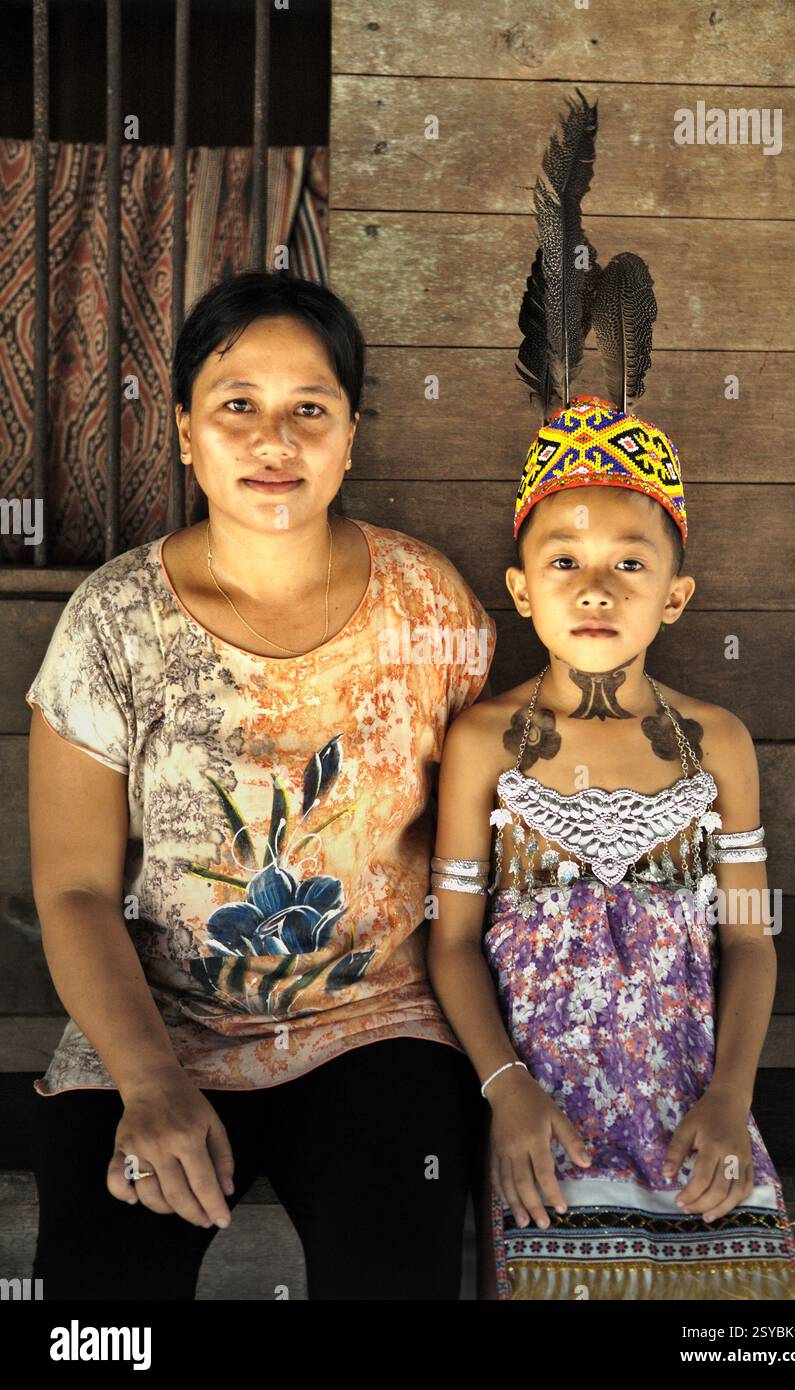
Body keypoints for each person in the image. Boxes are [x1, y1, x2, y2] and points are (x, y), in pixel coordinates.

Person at [26, 269, 496, 1300]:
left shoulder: (430, 606)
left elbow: (481, 842)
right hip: (157, 1022)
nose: (272, 439)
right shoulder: (115, 622)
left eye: (308, 409)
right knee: (99, 1311)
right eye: (236, 404)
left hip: (376, 1021)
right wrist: (149, 1082)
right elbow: (71, 890)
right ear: (187, 430)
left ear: (351, 435)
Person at [424, 89, 795, 1301]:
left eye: (630, 563)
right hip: (535, 1111)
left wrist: (733, 1096)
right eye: (565, 561)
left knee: (740, 1318)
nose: (598, 585)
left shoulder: (717, 745)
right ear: (519, 591)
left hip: (696, 1102)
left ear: (678, 595)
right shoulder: (487, 743)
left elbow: (748, 940)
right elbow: (447, 944)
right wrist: (504, 1089)